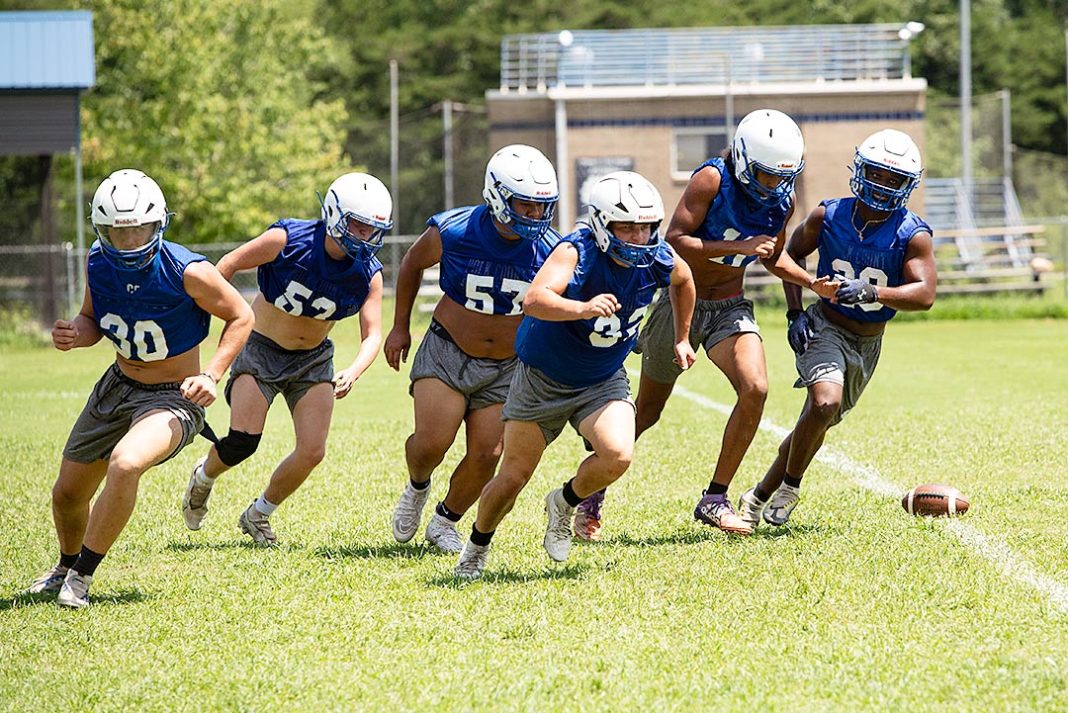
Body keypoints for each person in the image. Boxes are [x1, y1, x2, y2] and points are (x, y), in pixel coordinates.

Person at [573, 109, 837, 539]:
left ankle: (715, 498)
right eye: (766, 176)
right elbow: (673, 241)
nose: (774, 186)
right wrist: (739, 245)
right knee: (648, 412)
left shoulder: (782, 199)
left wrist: (811, 282)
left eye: (780, 176)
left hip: (730, 305)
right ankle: (592, 491)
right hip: (680, 304)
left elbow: (771, 255)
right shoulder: (711, 180)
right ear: (745, 159)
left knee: (756, 388)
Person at [24, 169, 253, 608]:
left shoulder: (188, 270)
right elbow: (93, 319)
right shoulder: (96, 260)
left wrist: (212, 374)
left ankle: (82, 579)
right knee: (68, 493)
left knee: (126, 464)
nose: (129, 242)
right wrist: (76, 331)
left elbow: (242, 315)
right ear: (102, 229)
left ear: (158, 224)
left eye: (139, 230)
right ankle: (65, 567)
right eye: (117, 232)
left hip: (173, 396)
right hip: (118, 385)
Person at [454, 171, 696, 580]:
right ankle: (476, 546)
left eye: (646, 227)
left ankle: (564, 502)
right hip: (543, 378)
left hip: (602, 378)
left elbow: (685, 280)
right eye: (627, 227)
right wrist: (582, 308)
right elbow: (535, 300)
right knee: (512, 478)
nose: (638, 237)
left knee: (618, 455)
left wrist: (682, 337)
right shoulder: (576, 251)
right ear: (602, 224)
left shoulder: (659, 255)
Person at [739, 129, 936, 527]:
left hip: (867, 344)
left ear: (907, 185)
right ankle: (791, 487)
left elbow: (925, 293)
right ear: (861, 170)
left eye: (893, 179)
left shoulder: (911, 233)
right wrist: (795, 313)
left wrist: (874, 292)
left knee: (816, 420)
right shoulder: (828, 215)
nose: (881, 185)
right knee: (824, 402)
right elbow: (789, 257)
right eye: (876, 174)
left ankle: (759, 495)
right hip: (824, 325)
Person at [181, 172, 390, 544]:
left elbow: (373, 333)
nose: (364, 237)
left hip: (312, 359)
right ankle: (203, 477)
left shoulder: (368, 274)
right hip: (260, 346)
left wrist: (354, 371)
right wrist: (220, 318)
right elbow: (227, 265)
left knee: (312, 451)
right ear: (334, 213)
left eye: (371, 230)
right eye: (357, 226)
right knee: (243, 441)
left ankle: (258, 514)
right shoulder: (287, 239)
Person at [385, 145, 561, 553]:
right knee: (431, 444)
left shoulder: (552, 248)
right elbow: (411, 264)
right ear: (498, 195)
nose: (535, 216)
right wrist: (399, 328)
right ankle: (416, 487)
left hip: (508, 364)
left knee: (487, 454)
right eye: (525, 205)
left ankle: (445, 520)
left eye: (541, 207)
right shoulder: (455, 230)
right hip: (448, 349)